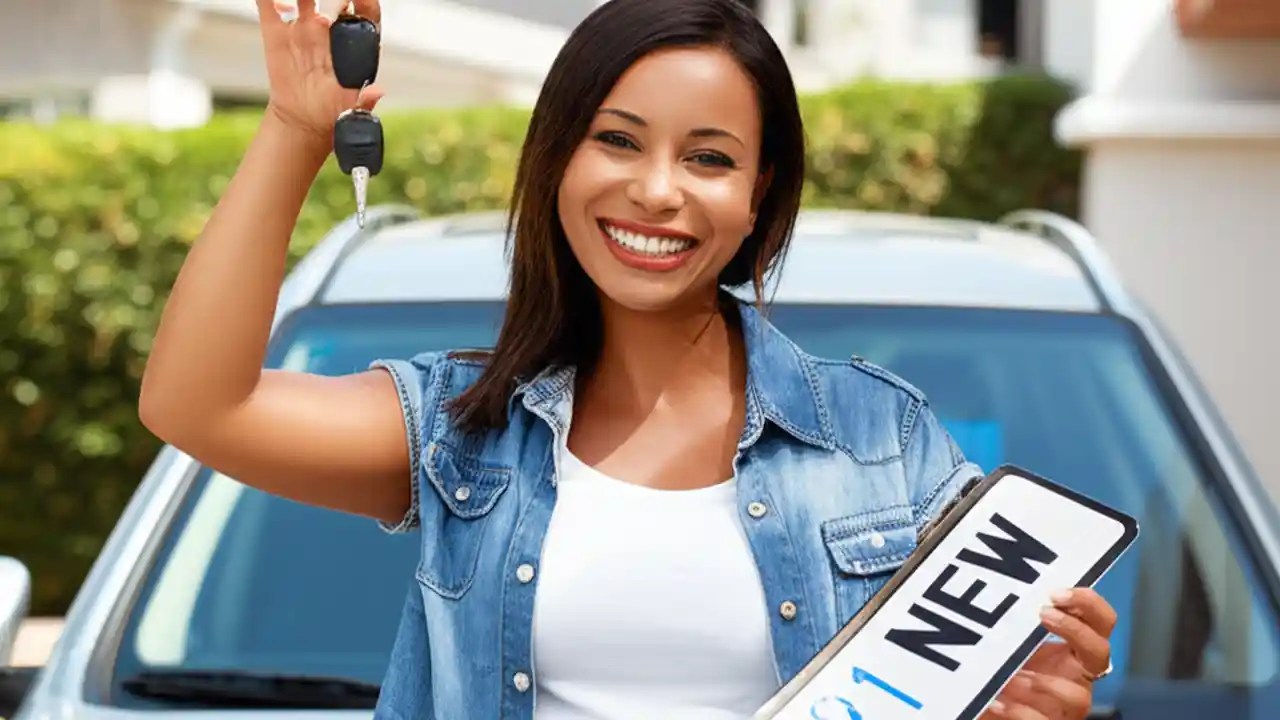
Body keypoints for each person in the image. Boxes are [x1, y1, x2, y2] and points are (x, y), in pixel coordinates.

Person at [138, 0, 1119, 718]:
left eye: (708, 157)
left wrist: (1037, 701)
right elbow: (195, 405)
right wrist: (297, 129)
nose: (657, 191)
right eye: (616, 142)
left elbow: (976, 678)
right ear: (558, 158)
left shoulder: (879, 438)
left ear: (755, 194)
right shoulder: (458, 431)